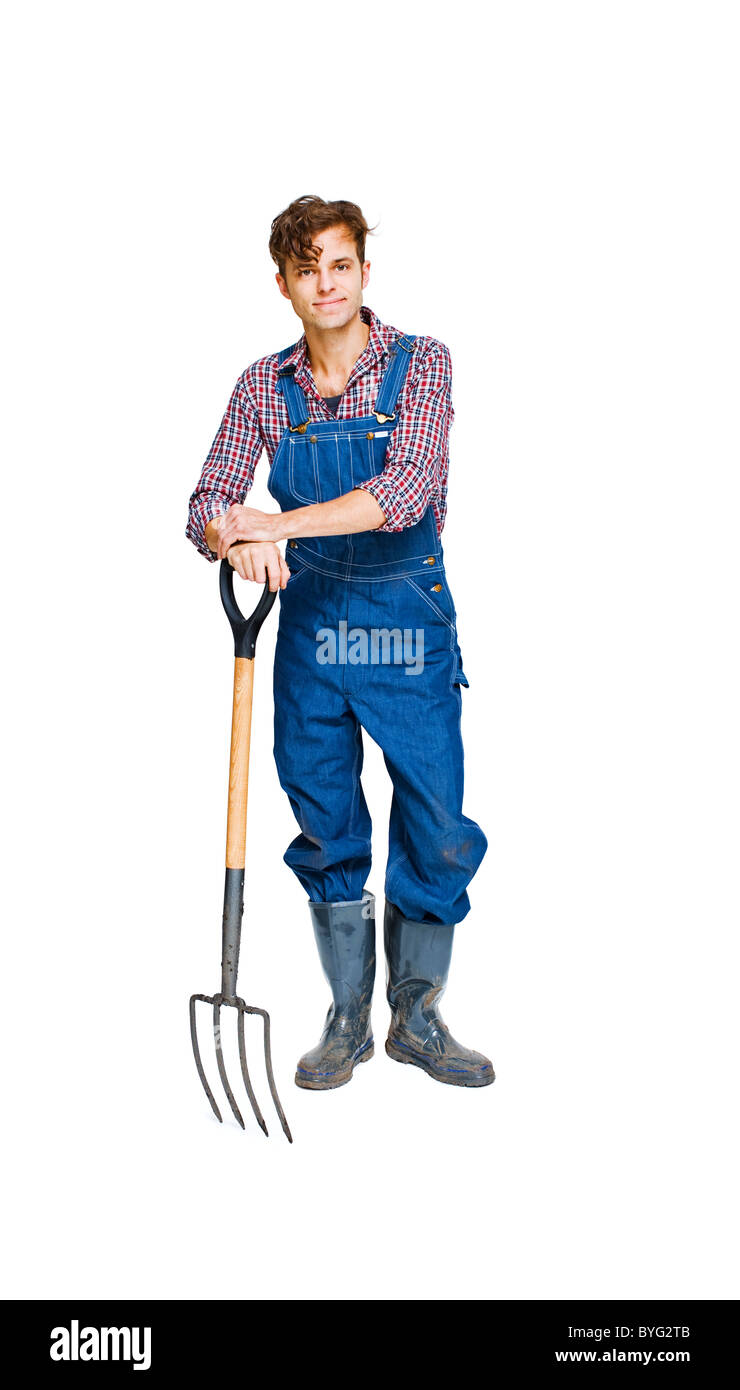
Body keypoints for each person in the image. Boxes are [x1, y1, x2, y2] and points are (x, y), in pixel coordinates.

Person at [186, 195, 494, 1092]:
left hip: (405, 631)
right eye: (306, 268)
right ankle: (348, 1014)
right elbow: (207, 502)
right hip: (315, 633)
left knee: (437, 826)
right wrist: (236, 536)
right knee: (324, 823)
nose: (326, 282)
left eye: (340, 264)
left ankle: (418, 1012)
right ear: (282, 284)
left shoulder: (420, 365)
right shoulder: (263, 387)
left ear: (363, 272)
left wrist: (277, 526)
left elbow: (402, 492)